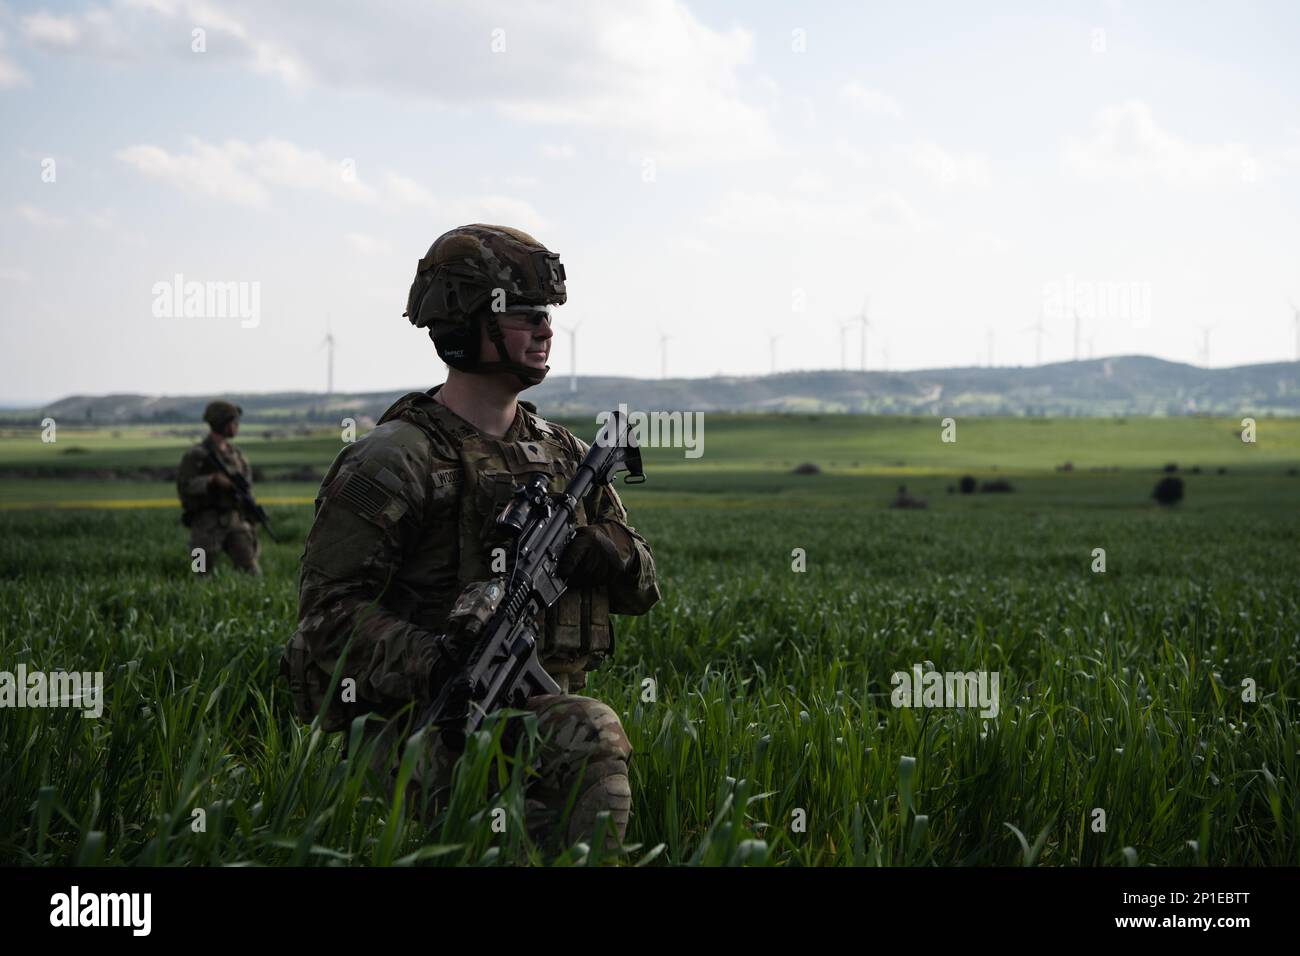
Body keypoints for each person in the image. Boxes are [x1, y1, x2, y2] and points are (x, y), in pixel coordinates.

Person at [281, 224, 660, 850]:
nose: (545, 330)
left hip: (532, 715)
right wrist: (437, 659)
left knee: (577, 732)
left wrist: (605, 551)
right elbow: (326, 618)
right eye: (525, 314)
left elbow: (644, 587)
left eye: (548, 315)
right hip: (413, 729)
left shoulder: (563, 454)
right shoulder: (393, 459)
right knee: (589, 731)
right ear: (465, 324)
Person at [176, 400, 262, 575]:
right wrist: (212, 480)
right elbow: (184, 485)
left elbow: (246, 486)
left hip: (234, 520)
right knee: (199, 571)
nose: (237, 427)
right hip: (205, 522)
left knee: (252, 571)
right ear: (222, 424)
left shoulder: (235, 454)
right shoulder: (197, 455)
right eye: (234, 422)